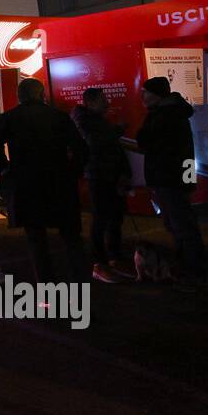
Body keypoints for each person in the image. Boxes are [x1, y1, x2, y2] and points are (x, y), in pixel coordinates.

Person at [0, 79, 89, 287]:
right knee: (71, 240)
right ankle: (79, 292)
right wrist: (73, 172)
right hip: (60, 183)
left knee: (37, 241)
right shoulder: (59, 117)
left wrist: (6, 167)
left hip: (27, 185)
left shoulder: (10, 118)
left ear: (20, 96)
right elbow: (81, 148)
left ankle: (47, 292)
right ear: (42, 94)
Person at [135, 76, 207, 289]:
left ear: (156, 95)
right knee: (181, 222)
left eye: (146, 92)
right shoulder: (176, 113)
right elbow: (186, 150)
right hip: (175, 177)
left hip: (167, 178)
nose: (142, 96)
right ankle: (189, 267)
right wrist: (188, 179)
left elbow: (144, 140)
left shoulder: (162, 115)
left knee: (181, 224)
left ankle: (193, 271)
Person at [72, 87, 133, 284]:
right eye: (102, 99)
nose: (107, 102)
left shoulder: (98, 120)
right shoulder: (85, 121)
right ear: (90, 102)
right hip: (98, 176)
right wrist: (117, 130)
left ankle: (114, 258)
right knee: (100, 219)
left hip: (111, 175)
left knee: (115, 217)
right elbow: (96, 143)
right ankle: (99, 264)